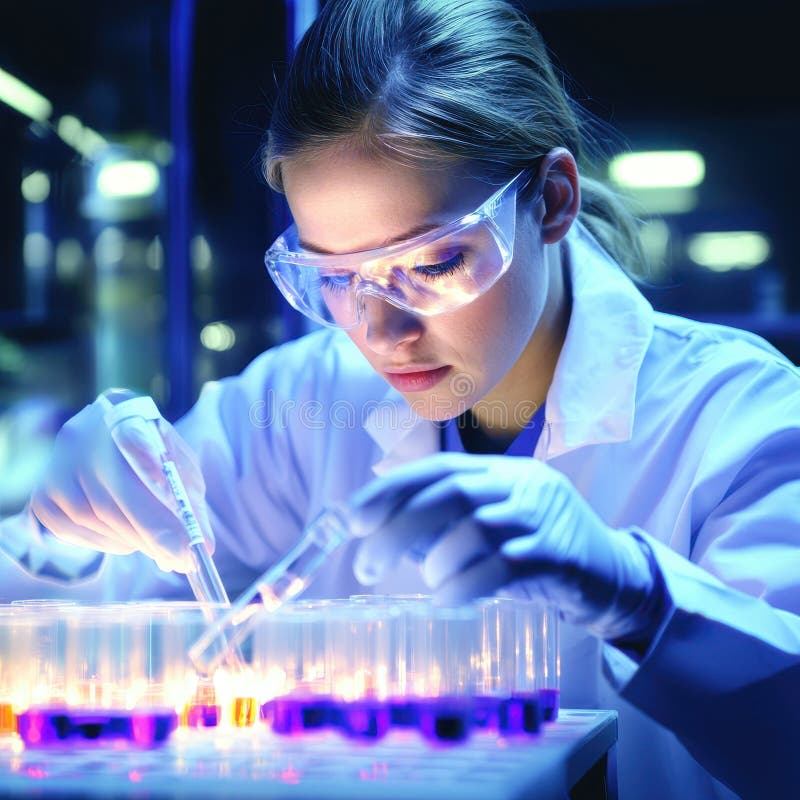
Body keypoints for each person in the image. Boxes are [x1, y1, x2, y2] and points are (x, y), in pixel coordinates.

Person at [0, 0, 798, 796]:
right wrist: (63, 526)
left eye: (435, 262)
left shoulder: (740, 421)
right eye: (336, 278)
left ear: (552, 201)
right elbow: (75, 631)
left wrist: (641, 598)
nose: (380, 331)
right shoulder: (300, 402)